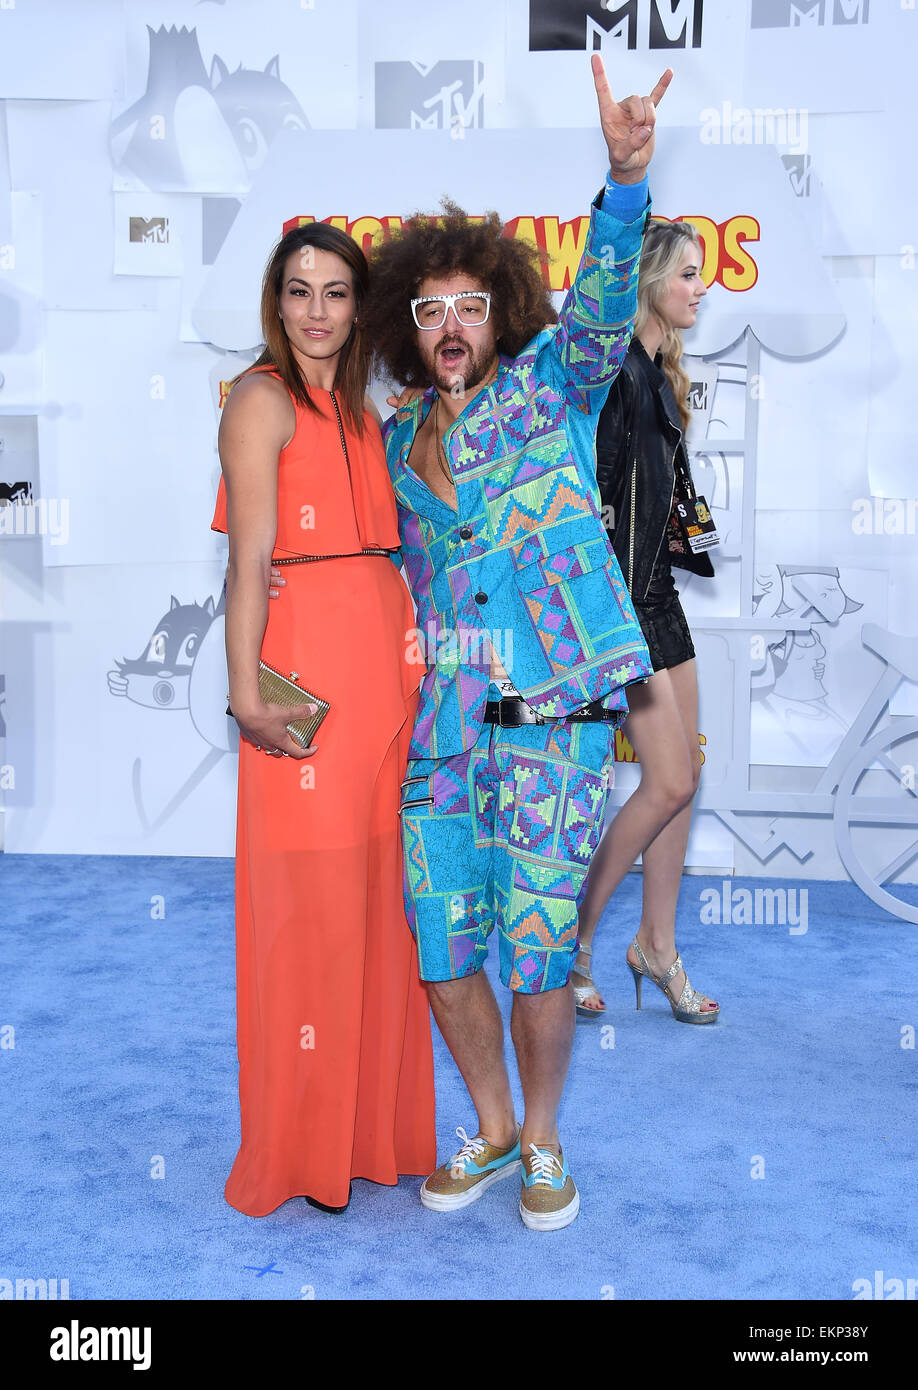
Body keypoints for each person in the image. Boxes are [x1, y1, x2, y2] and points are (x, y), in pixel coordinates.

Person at [361, 56, 668, 1230]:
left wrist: (626, 178)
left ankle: (542, 1139)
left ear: (502, 313)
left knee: (538, 952)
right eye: (430, 309)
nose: (449, 326)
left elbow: (601, 306)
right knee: (444, 944)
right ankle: (490, 1125)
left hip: (550, 726)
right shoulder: (394, 447)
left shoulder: (552, 388)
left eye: (469, 306)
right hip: (441, 733)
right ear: (408, 323)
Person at [212, 222, 437, 1217]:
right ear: (276, 300)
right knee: (310, 912)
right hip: (309, 675)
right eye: (298, 291)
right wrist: (247, 691)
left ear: (359, 305)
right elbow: (247, 558)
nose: (315, 311)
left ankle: (365, 1135)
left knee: (380, 903)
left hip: (388, 669)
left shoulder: (368, 406)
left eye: (335, 292)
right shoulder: (258, 400)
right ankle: (304, 1144)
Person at [571, 218, 719, 1024]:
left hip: (658, 595)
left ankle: (655, 946)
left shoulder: (660, 373)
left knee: (683, 782)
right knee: (667, 778)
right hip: (627, 604)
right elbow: (590, 502)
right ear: (651, 277)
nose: (702, 287)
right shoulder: (620, 373)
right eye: (689, 274)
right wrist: (608, 618)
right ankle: (577, 941)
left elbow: (663, 499)